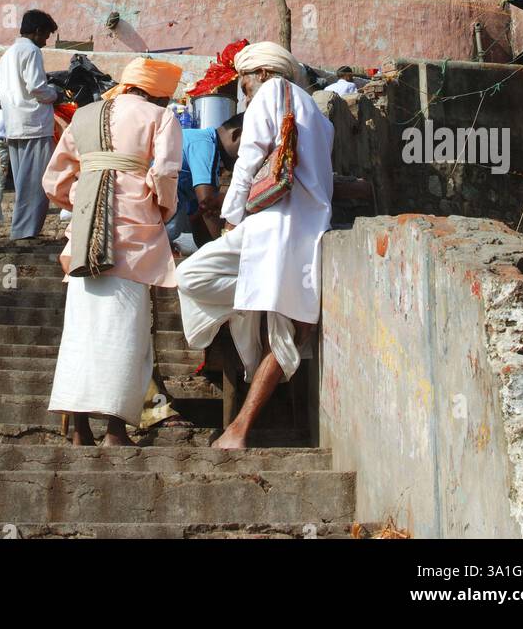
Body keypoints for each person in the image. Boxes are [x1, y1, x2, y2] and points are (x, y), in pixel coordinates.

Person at [176, 41, 334, 450]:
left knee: (191, 275)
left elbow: (249, 159)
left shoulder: (270, 94)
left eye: (243, 82)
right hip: (309, 228)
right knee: (289, 331)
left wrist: (230, 218)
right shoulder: (316, 110)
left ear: (261, 74)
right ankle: (240, 429)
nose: (243, 91)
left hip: (272, 225)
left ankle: (239, 429)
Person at [43, 56, 183, 446]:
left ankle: (80, 430)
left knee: (81, 331)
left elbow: (53, 180)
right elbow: (166, 173)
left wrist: (84, 197)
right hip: (133, 235)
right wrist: (161, 208)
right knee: (125, 332)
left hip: (84, 235)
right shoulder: (161, 117)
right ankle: (116, 431)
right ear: (157, 92)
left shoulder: (84, 115)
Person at [0, 9, 61, 240]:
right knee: (36, 183)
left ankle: (20, 230)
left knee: (24, 182)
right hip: (34, 124)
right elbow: (36, 87)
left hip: (13, 125)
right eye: (45, 36)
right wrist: (55, 94)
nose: (45, 42)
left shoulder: (6, 56)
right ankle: (25, 232)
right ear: (37, 31)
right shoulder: (31, 51)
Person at [166, 113, 244, 249]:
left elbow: (199, 219)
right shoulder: (205, 145)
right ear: (236, 134)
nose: (246, 157)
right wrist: (225, 253)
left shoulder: (209, 158)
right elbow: (207, 206)